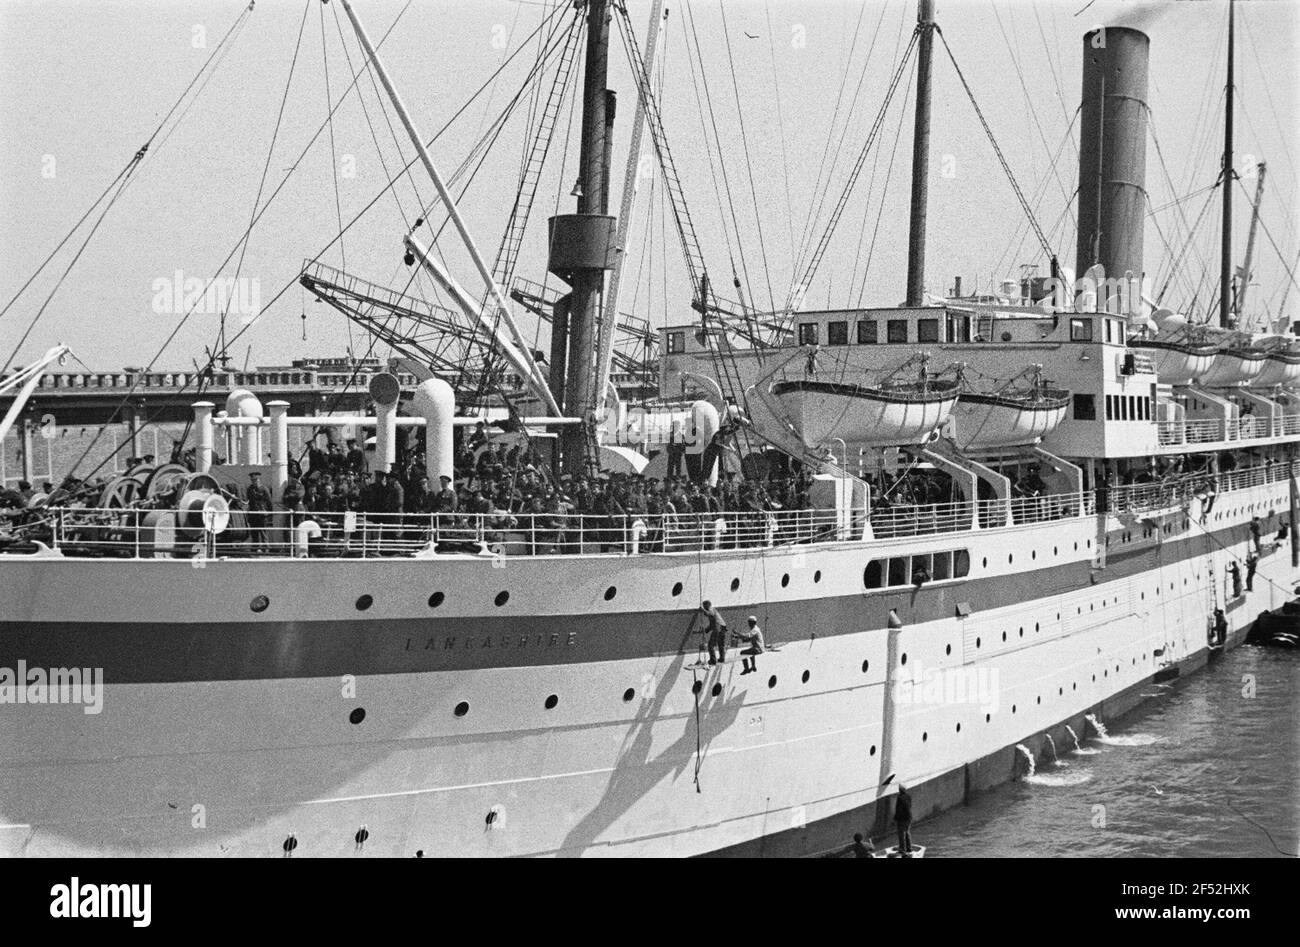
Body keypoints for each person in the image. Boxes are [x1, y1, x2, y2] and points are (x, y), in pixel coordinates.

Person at [245, 472, 274, 552]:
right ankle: (255, 547)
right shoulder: (250, 489)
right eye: (252, 480)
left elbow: (269, 502)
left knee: (263, 531)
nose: (254, 481)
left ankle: (266, 548)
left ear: (259, 480)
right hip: (253, 514)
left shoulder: (264, 489)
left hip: (262, 514)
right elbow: (249, 501)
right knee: (254, 532)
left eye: (256, 479)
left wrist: (269, 513)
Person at [700, 600, 728, 665]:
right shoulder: (714, 611)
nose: (704, 607)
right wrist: (705, 630)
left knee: (710, 645)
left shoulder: (711, 609)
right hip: (722, 628)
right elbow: (712, 624)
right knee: (720, 644)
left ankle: (713, 660)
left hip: (718, 628)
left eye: (704, 606)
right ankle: (722, 658)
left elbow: (710, 614)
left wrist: (702, 610)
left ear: (707, 605)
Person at [894, 784, 913, 855]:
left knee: (901, 834)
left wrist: (896, 818)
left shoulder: (900, 798)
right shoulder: (909, 796)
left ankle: (902, 849)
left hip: (902, 819)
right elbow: (909, 806)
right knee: (907, 832)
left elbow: (898, 809)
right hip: (909, 817)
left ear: (900, 790)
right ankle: (909, 848)